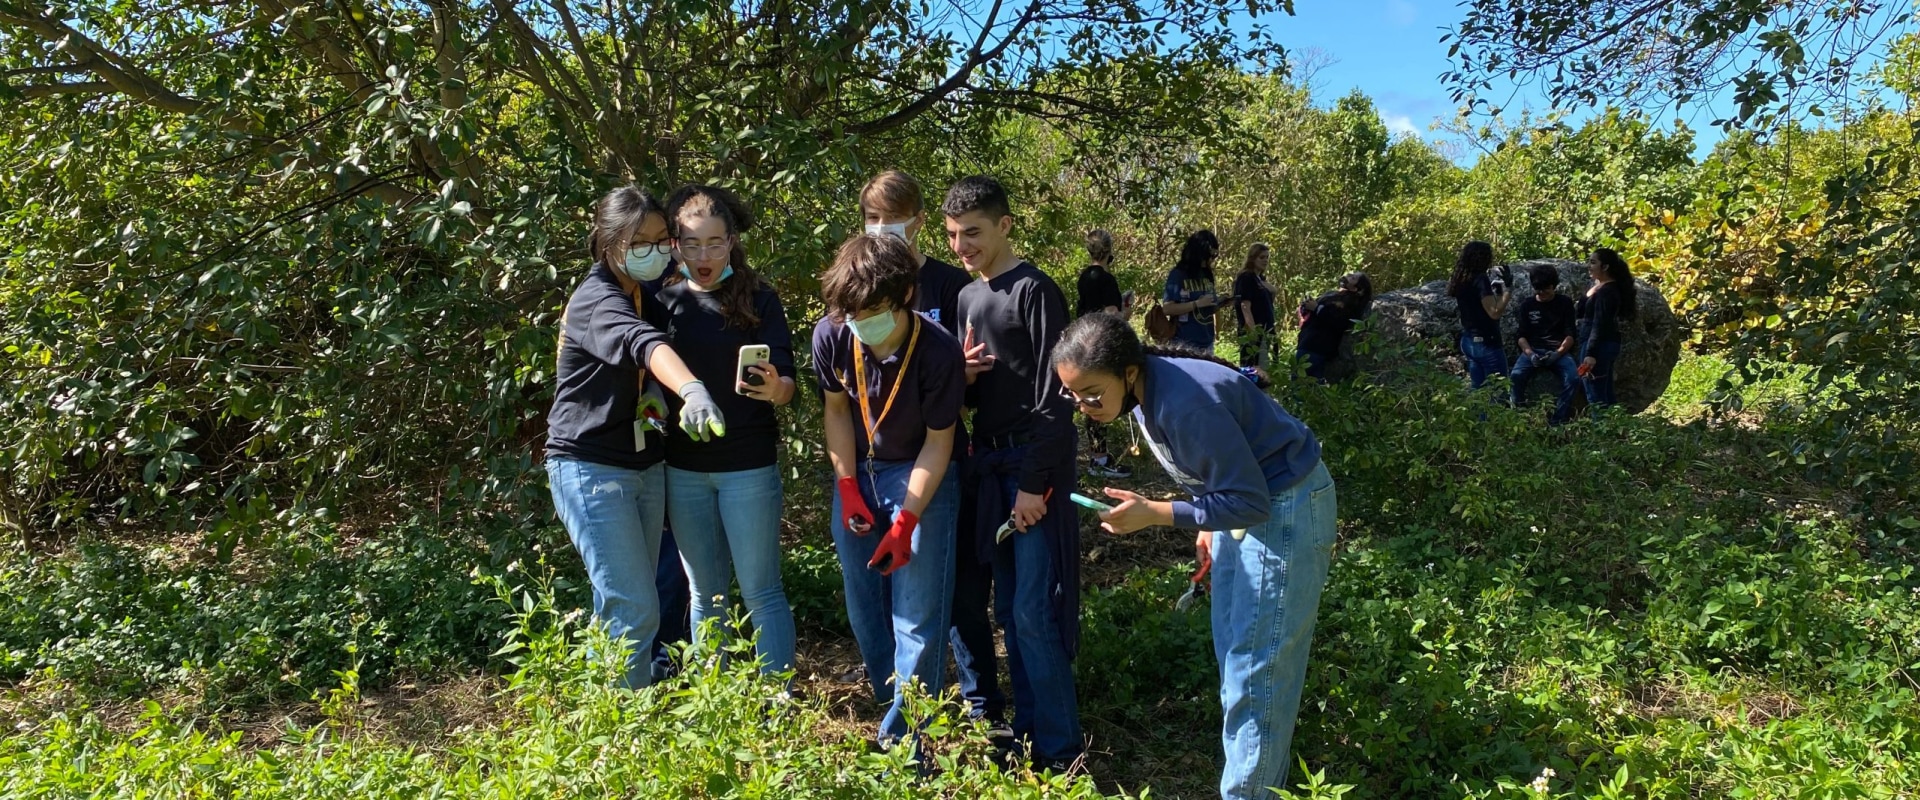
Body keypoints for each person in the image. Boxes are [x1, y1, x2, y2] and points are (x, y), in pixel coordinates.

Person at [1052, 312, 1335, 800]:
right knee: (1240, 661)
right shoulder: (1144, 391)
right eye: (1072, 395)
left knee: (1256, 670)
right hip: (1248, 508)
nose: (1083, 406)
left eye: (1092, 394)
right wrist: (1205, 521)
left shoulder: (1184, 402)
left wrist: (1160, 513)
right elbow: (1222, 479)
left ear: (1128, 371)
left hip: (1284, 508)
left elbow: (1251, 500)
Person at [545, 185, 728, 689]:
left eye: (659, 238)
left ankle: (609, 719)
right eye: (638, 242)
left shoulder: (644, 293)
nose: (653, 250)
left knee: (625, 602)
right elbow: (638, 342)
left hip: (644, 465)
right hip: (590, 466)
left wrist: (653, 395)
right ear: (609, 243)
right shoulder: (596, 298)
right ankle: (628, 731)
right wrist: (691, 389)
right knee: (635, 608)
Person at [855, 170, 1005, 733]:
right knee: (879, 594)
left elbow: (973, 366)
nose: (884, 228)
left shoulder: (951, 285)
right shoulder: (861, 282)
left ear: (919, 220)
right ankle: (898, 698)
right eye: (872, 217)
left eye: (893, 217)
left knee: (958, 591)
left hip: (944, 455)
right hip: (876, 463)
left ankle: (979, 706)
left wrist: (955, 374)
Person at [944, 175, 1083, 771]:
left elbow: (1060, 395)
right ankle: (1027, 732)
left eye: (973, 232)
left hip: (1033, 462)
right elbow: (976, 400)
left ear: (1004, 225)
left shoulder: (1035, 289)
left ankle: (1060, 753)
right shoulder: (968, 298)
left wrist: (1034, 482)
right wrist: (965, 379)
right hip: (988, 462)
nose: (962, 246)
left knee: (1033, 609)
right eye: (952, 235)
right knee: (1008, 612)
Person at [813, 233, 966, 748]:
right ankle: (889, 697)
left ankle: (905, 739)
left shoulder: (939, 351)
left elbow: (939, 444)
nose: (861, 322)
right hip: (859, 472)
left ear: (905, 297)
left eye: (873, 310)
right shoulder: (833, 334)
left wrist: (907, 520)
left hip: (919, 474)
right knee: (864, 601)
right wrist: (848, 485)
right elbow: (835, 412)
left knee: (917, 611)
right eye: (852, 311)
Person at [651, 184, 800, 682]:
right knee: (704, 593)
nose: (703, 255)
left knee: (761, 590)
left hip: (748, 467)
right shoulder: (661, 299)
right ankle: (715, 698)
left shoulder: (760, 298)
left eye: (714, 243)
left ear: (732, 241)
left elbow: (789, 387)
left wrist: (777, 387)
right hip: (684, 470)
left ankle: (778, 696)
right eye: (691, 244)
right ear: (675, 245)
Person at [1076, 230, 1131, 480]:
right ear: (1109, 250)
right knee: (1100, 400)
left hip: (1083, 342)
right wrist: (1126, 312)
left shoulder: (1085, 277)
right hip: (1101, 345)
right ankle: (1099, 459)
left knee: (1090, 399)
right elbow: (1111, 316)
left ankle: (1098, 456)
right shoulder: (1106, 280)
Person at [1507, 264, 1580, 423]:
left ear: (1554, 286)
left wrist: (1558, 353)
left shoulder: (1564, 303)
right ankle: (1521, 417)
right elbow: (1521, 336)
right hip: (1533, 350)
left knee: (1573, 379)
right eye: (1537, 289)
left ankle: (1558, 420)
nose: (1541, 293)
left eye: (1545, 289)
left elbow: (1570, 334)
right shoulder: (1527, 305)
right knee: (1515, 377)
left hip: (1557, 351)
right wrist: (1530, 354)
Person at [1572, 248, 1638, 414]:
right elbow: (1581, 311)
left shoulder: (1607, 293)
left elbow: (1600, 323)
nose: (1589, 266)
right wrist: (1590, 292)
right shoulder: (1602, 289)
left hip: (1598, 346)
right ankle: (1616, 431)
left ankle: (1604, 436)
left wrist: (1591, 353)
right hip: (1603, 344)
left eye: (1593, 262)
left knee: (1596, 397)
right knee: (1605, 393)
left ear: (1605, 267)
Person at [1446, 240, 1512, 391]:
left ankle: (1479, 416)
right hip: (1486, 343)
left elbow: (1478, 305)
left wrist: (1497, 293)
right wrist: (1508, 290)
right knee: (1497, 391)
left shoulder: (1462, 279)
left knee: (1479, 392)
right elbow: (1494, 313)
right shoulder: (1480, 279)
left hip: (1469, 340)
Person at [1294, 271, 1372, 383]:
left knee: (1305, 385)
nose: (1348, 276)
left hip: (1318, 347)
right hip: (1306, 341)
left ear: (1357, 288)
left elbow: (1338, 322)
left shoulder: (1351, 303)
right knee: (1299, 383)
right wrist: (1307, 306)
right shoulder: (1331, 294)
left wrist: (1317, 308)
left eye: (1353, 278)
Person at [1162, 229, 1222, 353]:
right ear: (1198, 253)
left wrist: (1221, 302)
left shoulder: (1207, 274)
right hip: (1184, 343)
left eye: (1214, 256)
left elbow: (1210, 305)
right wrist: (1196, 304)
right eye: (1209, 256)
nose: (1212, 260)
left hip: (1207, 342)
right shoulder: (1178, 274)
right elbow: (1167, 309)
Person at [1233, 243, 1279, 372]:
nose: (1265, 260)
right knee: (1253, 369)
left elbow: (1270, 298)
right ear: (1252, 258)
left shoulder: (1260, 279)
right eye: (1261, 257)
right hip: (1254, 333)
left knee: (1264, 368)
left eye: (1267, 257)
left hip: (1266, 331)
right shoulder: (1246, 277)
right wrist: (1253, 333)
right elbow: (1245, 306)